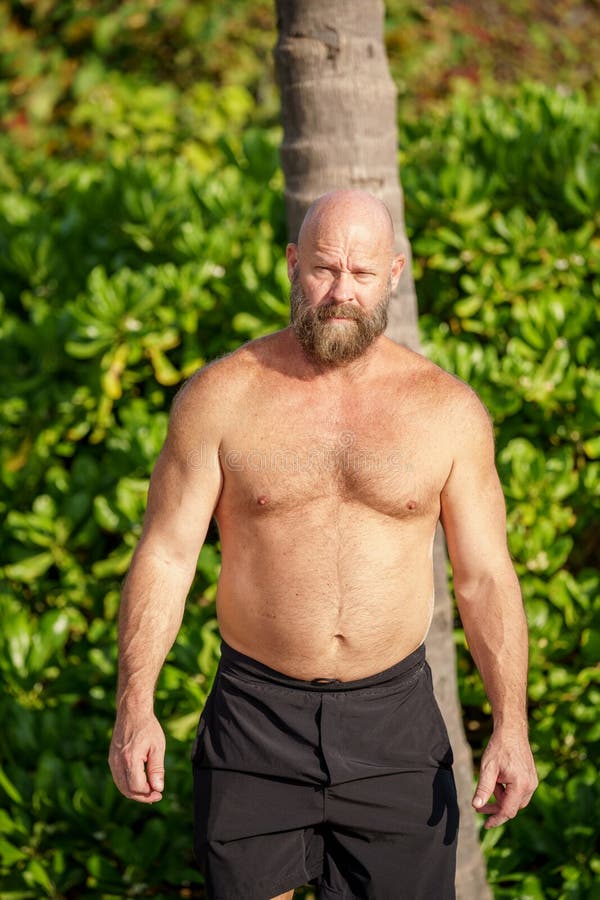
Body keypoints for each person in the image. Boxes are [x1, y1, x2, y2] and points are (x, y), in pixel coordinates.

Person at [109, 189, 538, 900]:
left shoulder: (447, 412)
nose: (341, 293)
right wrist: (135, 707)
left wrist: (510, 727)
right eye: (323, 269)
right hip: (253, 719)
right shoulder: (220, 397)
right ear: (291, 263)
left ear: (395, 273)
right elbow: (166, 554)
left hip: (394, 725)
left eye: (362, 274)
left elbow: (486, 578)